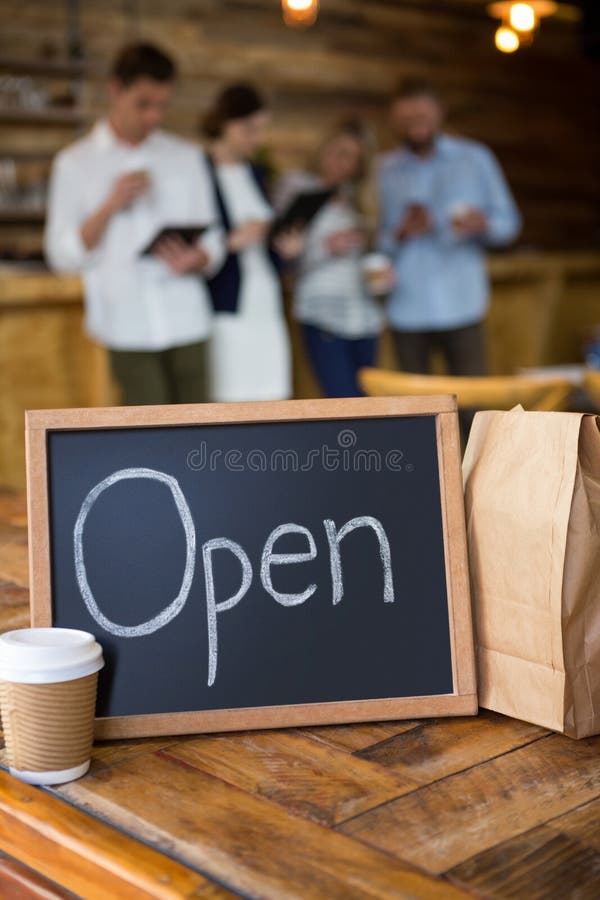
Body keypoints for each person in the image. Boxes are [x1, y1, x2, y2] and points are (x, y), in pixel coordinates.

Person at [45, 43, 223, 406]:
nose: (154, 116)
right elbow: (61, 255)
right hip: (125, 325)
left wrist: (199, 258)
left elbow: (215, 238)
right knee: (149, 445)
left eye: (162, 105)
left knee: (203, 438)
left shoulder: (186, 157)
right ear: (115, 90)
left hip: (189, 318)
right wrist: (109, 205)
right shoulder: (75, 163)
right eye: (143, 104)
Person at [378, 79, 521, 376]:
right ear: (394, 120)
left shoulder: (475, 158)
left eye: (421, 118)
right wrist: (400, 233)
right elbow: (371, 245)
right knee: (415, 414)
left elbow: (509, 224)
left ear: (440, 113)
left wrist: (483, 224)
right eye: (405, 120)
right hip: (406, 307)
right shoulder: (383, 170)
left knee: (472, 406)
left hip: (462, 302)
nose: (414, 126)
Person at [275, 120, 386, 398]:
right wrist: (326, 247)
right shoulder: (298, 188)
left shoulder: (358, 198)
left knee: (367, 406)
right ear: (324, 148)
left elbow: (374, 254)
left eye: (353, 158)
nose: (342, 163)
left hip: (365, 315)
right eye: (339, 152)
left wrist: (384, 277)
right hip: (322, 313)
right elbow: (283, 256)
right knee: (343, 401)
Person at [201, 83, 292, 402]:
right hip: (226, 305)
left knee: (272, 396)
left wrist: (285, 250)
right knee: (232, 398)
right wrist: (231, 241)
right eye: (250, 129)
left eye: (261, 129)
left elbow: (269, 241)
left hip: (265, 301)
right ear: (226, 123)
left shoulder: (256, 172)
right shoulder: (200, 171)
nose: (258, 138)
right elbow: (198, 241)